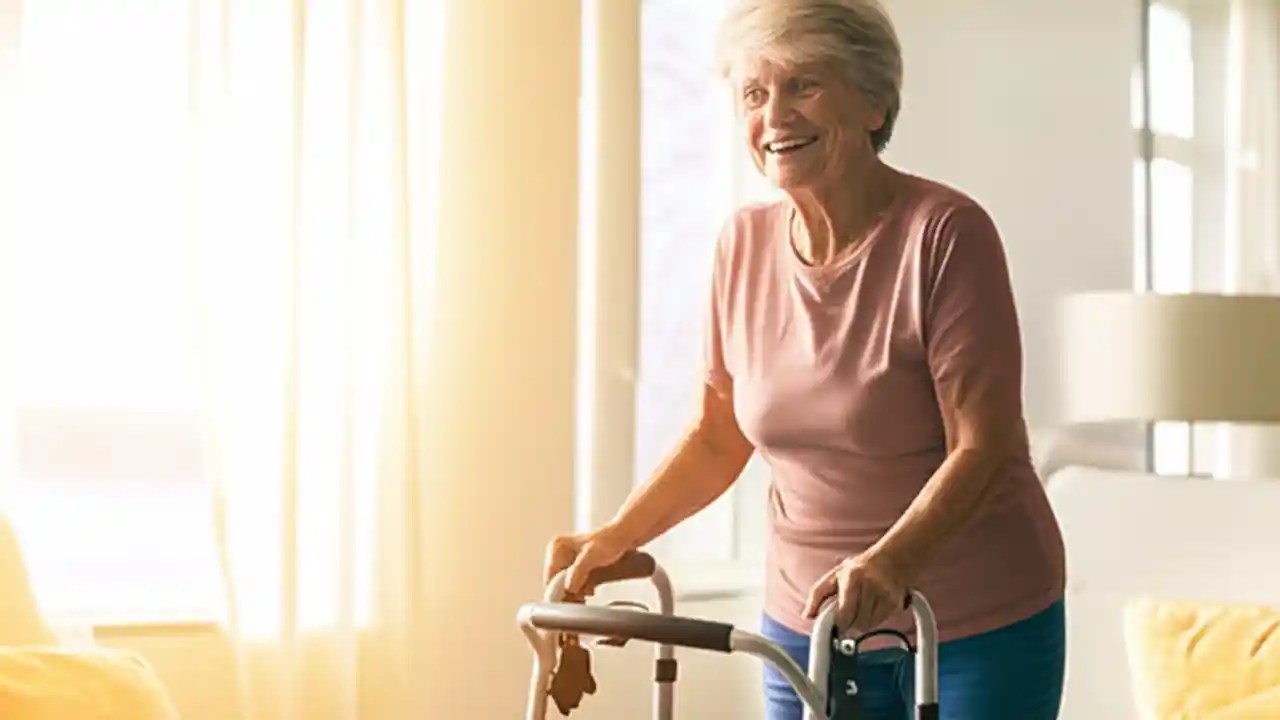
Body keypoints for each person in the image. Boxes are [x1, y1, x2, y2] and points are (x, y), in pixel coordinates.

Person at [544, 1, 1067, 717]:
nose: (775, 115)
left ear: (877, 101)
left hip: (971, 625)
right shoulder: (742, 245)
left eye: (805, 85)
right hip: (805, 622)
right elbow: (718, 434)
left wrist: (891, 563)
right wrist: (614, 538)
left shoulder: (945, 235)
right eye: (754, 94)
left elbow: (985, 445)